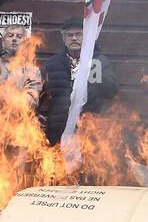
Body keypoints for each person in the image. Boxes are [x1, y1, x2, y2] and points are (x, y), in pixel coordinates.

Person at [40, 15, 119, 144]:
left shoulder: (98, 61)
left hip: (88, 134)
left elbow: (111, 92)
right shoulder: (51, 65)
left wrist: (93, 70)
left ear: (86, 37)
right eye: (70, 35)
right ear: (64, 39)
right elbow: (38, 96)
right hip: (58, 134)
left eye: (79, 34)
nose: (74, 38)